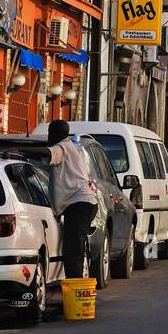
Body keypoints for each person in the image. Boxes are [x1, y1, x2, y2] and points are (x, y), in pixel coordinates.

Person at [46, 120, 100, 280]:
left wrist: (20, 151)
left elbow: (47, 153)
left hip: (79, 203)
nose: (48, 137)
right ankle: (75, 284)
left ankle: (75, 288)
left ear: (55, 134)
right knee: (75, 248)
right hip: (84, 201)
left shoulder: (62, 148)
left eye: (50, 133)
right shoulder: (72, 146)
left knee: (73, 251)